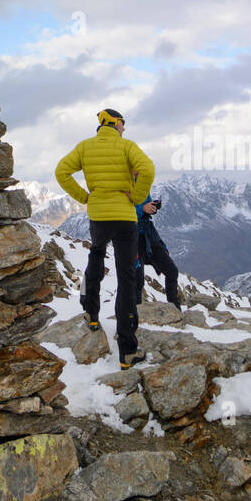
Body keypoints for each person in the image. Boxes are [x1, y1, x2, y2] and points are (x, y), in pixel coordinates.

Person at [54, 108, 155, 368]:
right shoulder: (126, 147)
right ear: (116, 123)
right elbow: (148, 169)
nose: (124, 129)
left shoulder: (85, 147)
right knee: (126, 278)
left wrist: (84, 197)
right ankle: (128, 350)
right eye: (123, 124)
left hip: (99, 215)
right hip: (124, 217)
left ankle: (90, 310)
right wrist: (135, 196)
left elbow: (61, 172)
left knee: (95, 258)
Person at [135, 196, 181, 309]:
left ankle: (174, 310)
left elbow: (144, 205)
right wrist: (142, 209)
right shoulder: (124, 183)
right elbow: (120, 210)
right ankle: (134, 315)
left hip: (148, 234)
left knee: (172, 271)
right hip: (132, 236)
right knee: (137, 279)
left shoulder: (143, 182)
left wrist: (152, 207)